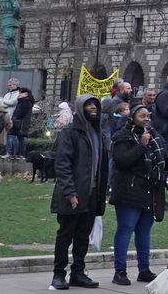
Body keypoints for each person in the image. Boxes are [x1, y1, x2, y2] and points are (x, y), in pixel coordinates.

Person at [50, 95, 108, 291]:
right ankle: (58, 275)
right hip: (73, 193)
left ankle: (78, 273)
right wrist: (70, 193)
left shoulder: (98, 133)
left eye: (95, 105)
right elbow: (63, 165)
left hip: (92, 193)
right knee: (65, 235)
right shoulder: (70, 133)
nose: (93, 108)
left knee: (83, 236)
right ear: (80, 109)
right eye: (89, 105)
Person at [109, 105, 166, 286]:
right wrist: (141, 146)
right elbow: (122, 161)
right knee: (125, 229)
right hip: (129, 189)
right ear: (132, 117)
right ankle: (120, 271)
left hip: (149, 190)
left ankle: (144, 269)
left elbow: (159, 162)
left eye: (148, 115)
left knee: (144, 231)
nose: (146, 118)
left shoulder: (154, 136)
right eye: (142, 115)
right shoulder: (123, 137)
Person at [9, 86, 36, 160]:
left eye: (20, 93)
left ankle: (20, 154)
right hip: (21, 123)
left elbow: (21, 112)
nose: (19, 94)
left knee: (20, 139)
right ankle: (18, 154)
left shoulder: (25, 101)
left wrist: (15, 118)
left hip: (21, 123)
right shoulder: (24, 101)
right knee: (19, 138)